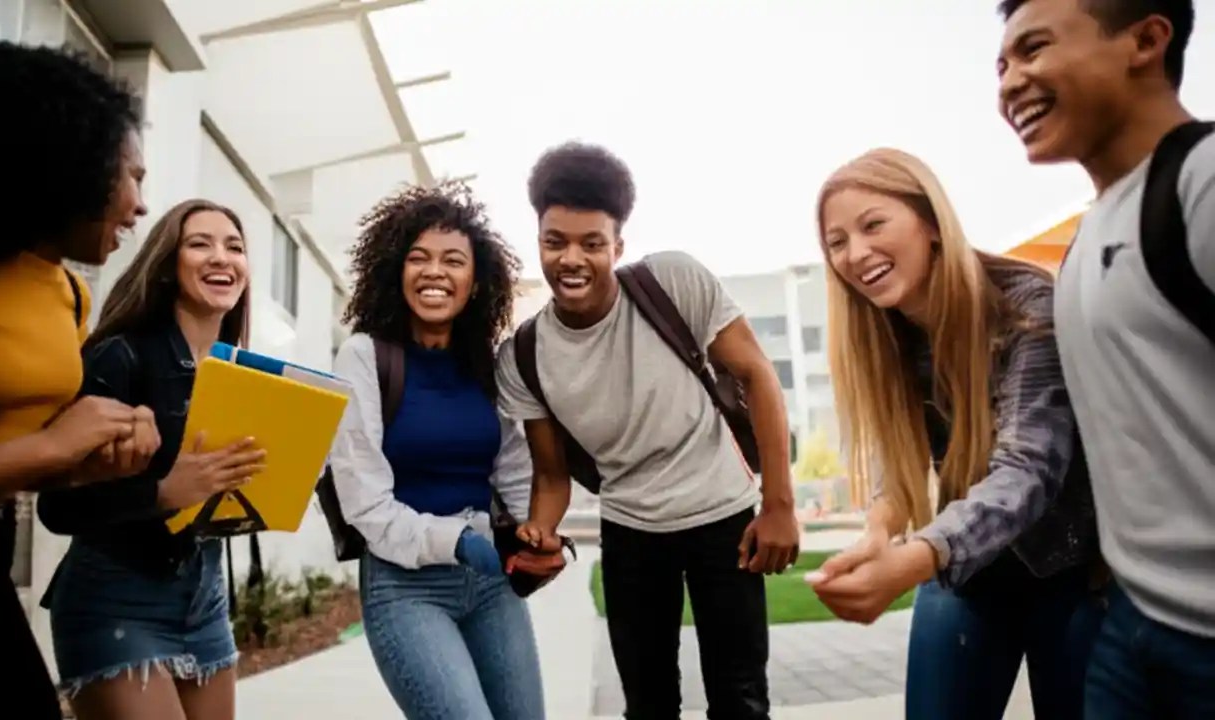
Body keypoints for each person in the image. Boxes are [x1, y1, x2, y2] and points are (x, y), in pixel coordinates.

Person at [499, 142, 798, 720]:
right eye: (554, 242)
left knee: (741, 703)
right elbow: (552, 475)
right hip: (632, 536)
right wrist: (538, 532)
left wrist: (779, 505)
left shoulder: (672, 281)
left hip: (724, 520)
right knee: (648, 705)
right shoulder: (525, 356)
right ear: (538, 240)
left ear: (618, 245)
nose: (572, 260)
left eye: (592, 243)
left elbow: (758, 375)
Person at [805, 148, 1103, 720]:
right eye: (837, 241)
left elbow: (1028, 469)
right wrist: (879, 531)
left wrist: (916, 557)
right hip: (970, 568)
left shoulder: (1026, 306)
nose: (856, 253)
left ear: (931, 223)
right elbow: (900, 458)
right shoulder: (885, 334)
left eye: (873, 225)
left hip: (1074, 570)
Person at [997, 1, 1215, 716]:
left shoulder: (1203, 185)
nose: (1009, 82)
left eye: (1034, 50)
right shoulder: (1090, 234)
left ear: (1147, 39)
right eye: (1001, 65)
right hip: (1132, 628)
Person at [0, 42, 156, 718]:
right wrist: (50, 452)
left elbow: (11, 453)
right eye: (130, 177)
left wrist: (90, 460)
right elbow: (33, 450)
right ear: (67, 164)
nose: (140, 205)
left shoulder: (70, 292)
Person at [37, 199, 265, 720]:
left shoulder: (244, 376)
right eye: (199, 243)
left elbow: (216, 494)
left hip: (206, 605)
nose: (221, 258)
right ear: (167, 265)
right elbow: (56, 504)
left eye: (234, 247)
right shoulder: (120, 355)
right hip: (115, 602)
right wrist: (163, 492)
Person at [329, 182, 544, 720]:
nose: (434, 272)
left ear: (475, 282)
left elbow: (515, 470)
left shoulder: (490, 365)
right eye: (418, 258)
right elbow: (365, 503)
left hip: (491, 582)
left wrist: (535, 534)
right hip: (405, 587)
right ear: (395, 272)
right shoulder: (363, 358)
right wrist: (460, 542)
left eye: (453, 260)